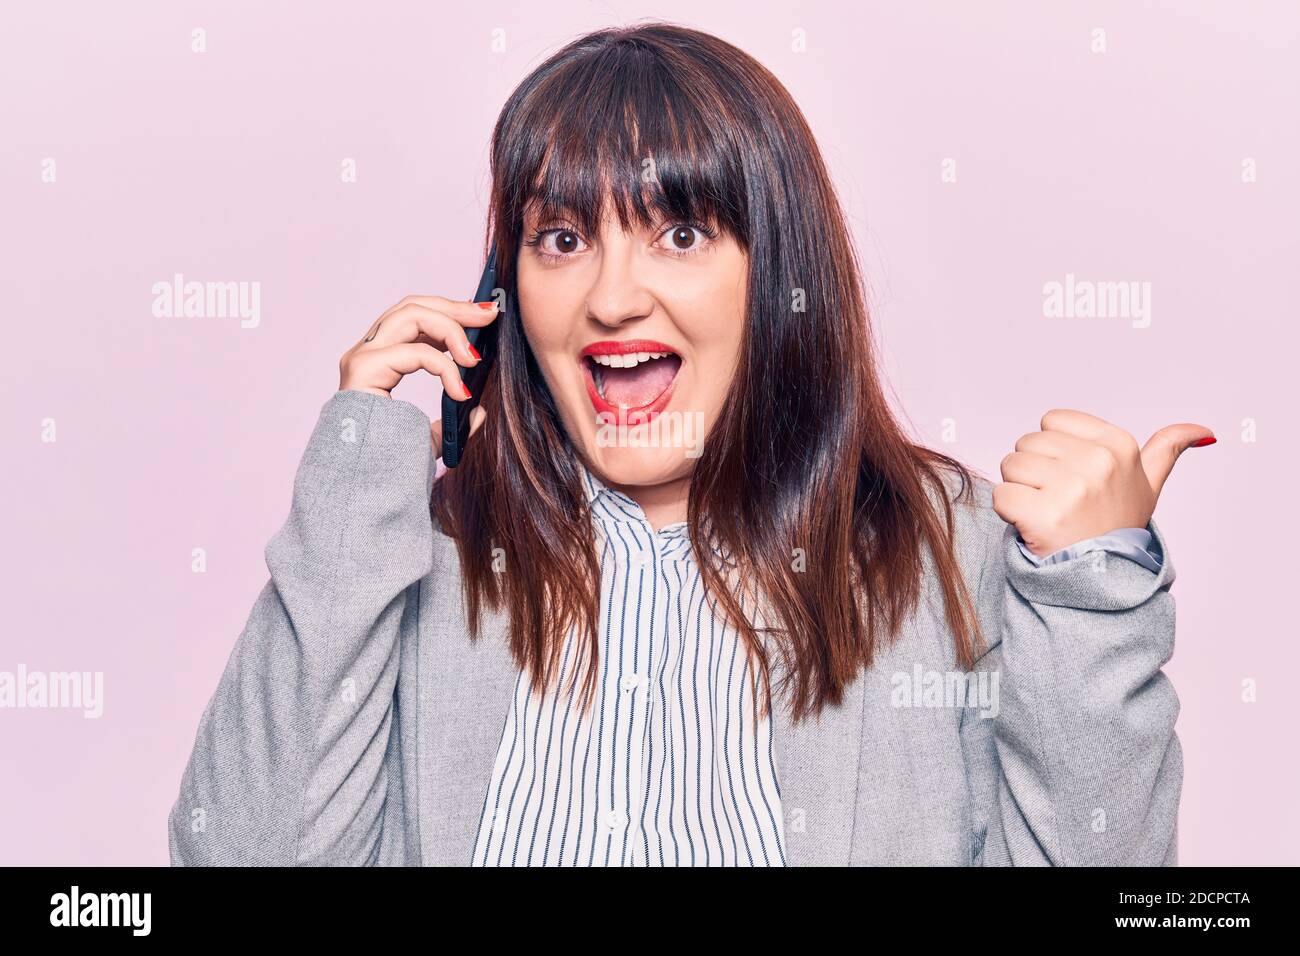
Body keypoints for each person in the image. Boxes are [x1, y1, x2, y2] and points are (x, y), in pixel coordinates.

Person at [168, 21, 1212, 867]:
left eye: (679, 232)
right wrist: (360, 473)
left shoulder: (955, 552)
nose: (612, 297)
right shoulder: (419, 553)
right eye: (562, 238)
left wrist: (1091, 591)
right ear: (506, 291)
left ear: (778, 270)